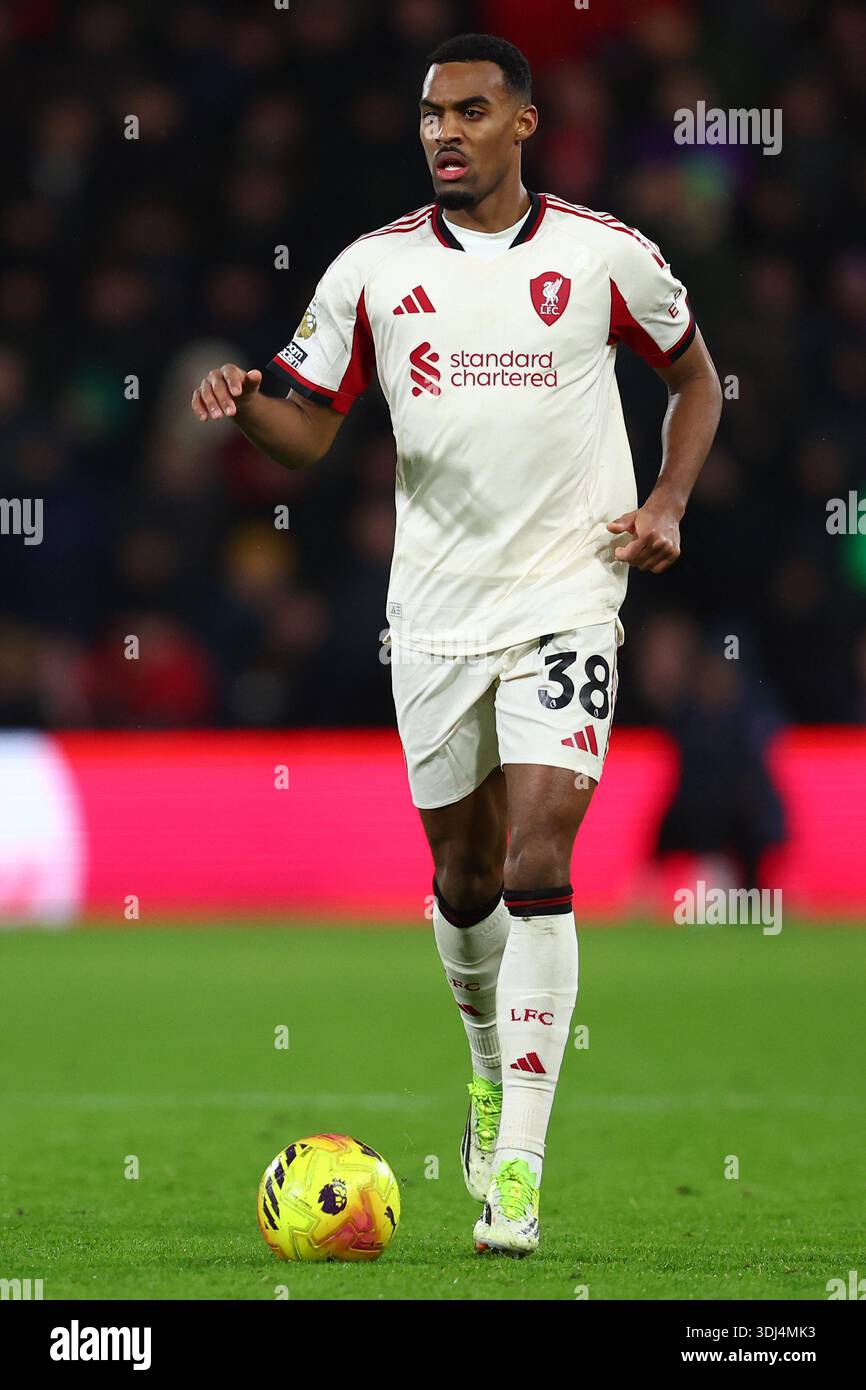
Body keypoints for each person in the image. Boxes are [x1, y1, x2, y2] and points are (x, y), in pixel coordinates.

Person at [191, 32, 722, 1256]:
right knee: (465, 876)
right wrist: (243, 405)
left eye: (472, 112)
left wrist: (665, 505)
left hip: (566, 594)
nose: (445, 132)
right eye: (432, 114)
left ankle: (520, 1170)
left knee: (540, 848)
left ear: (521, 125)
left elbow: (696, 380)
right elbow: (310, 431)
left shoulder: (603, 258)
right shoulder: (370, 272)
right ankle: (484, 1066)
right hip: (429, 612)